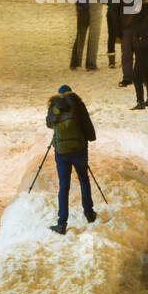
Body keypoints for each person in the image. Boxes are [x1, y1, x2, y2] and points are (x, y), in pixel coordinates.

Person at [46, 85, 97, 234]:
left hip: (61, 153)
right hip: (79, 150)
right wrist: (88, 137)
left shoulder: (54, 106)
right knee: (83, 179)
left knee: (64, 187)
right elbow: (88, 127)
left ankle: (62, 223)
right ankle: (89, 213)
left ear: (59, 94)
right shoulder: (78, 105)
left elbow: (49, 123)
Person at [70, 0, 103, 71]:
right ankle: (90, 64)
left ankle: (74, 62)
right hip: (94, 12)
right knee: (93, 39)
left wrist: (79, 8)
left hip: (82, 12)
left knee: (80, 36)